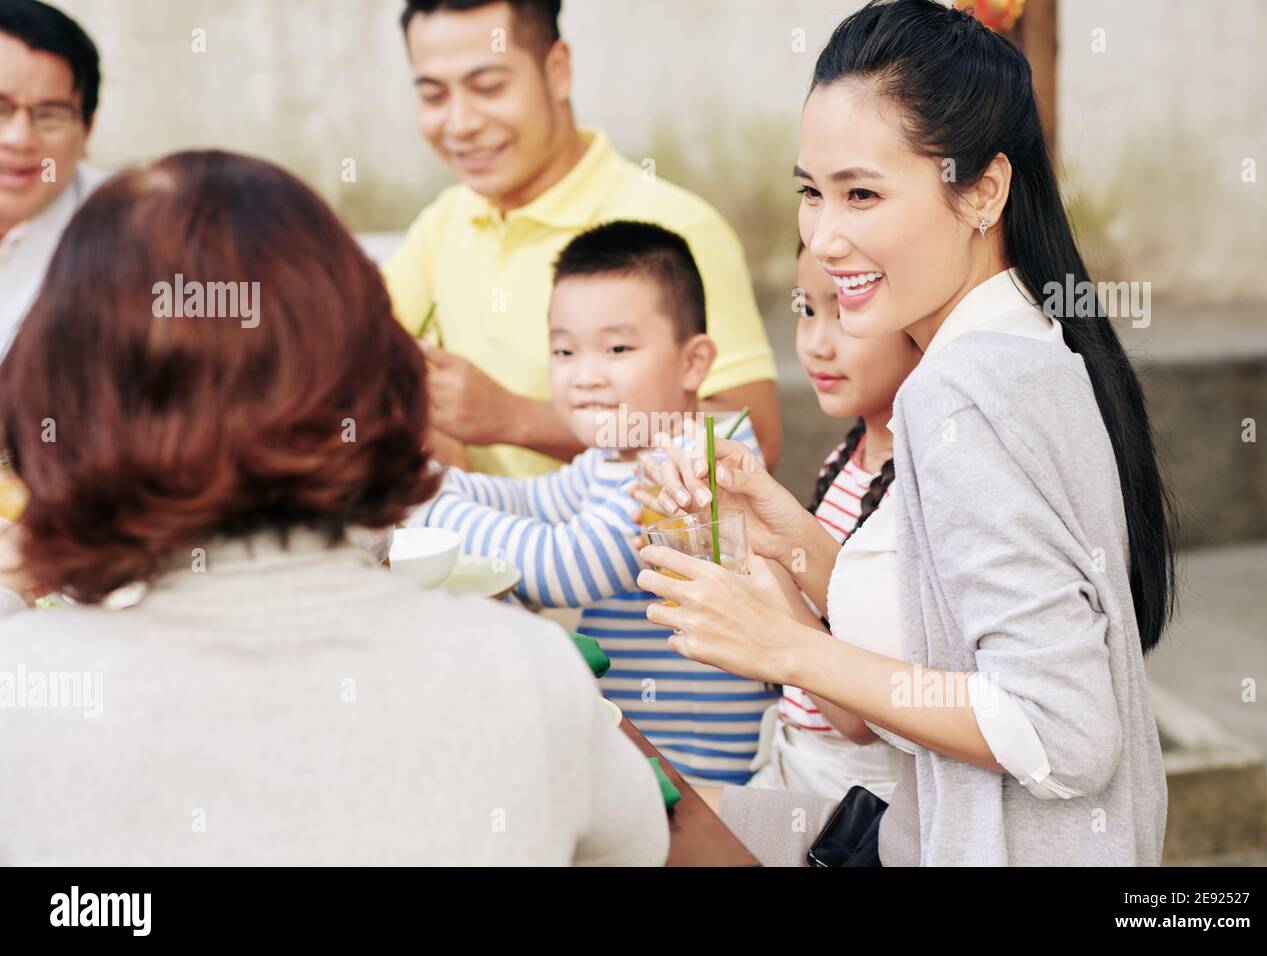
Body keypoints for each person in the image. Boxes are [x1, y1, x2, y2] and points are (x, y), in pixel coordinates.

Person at [0, 150, 669, 866]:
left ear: (58, 388)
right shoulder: (531, 671)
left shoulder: (25, 689)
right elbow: (636, 850)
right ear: (373, 373)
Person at [637, 0, 1175, 866]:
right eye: (812, 192)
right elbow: (950, 618)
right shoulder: (1030, 346)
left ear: (984, 190)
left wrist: (784, 646)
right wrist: (794, 538)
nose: (826, 237)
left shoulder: (958, 391)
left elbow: (1064, 731)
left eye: (863, 193)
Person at [412, 220, 774, 786]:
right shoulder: (620, 452)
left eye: (616, 348)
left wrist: (427, 509)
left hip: (697, 766)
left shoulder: (689, 464)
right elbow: (529, 500)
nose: (584, 376)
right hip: (639, 744)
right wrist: (426, 485)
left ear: (693, 362)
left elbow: (565, 568)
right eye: (563, 350)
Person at [383, 0, 781, 478]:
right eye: (432, 96)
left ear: (557, 71)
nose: (460, 123)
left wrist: (513, 418)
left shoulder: (676, 226)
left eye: (488, 87)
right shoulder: (447, 220)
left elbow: (754, 438)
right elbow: (348, 354)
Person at [741, 239, 918, 802]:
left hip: (856, 792)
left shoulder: (914, 487)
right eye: (805, 309)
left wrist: (762, 569)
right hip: (796, 756)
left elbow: (859, 719)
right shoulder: (845, 460)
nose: (815, 344)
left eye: (843, 311)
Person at [0, 0, 105, 353]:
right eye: (0, 110)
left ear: (86, 130)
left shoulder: (137, 233)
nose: (19, 139)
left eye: (50, 116)